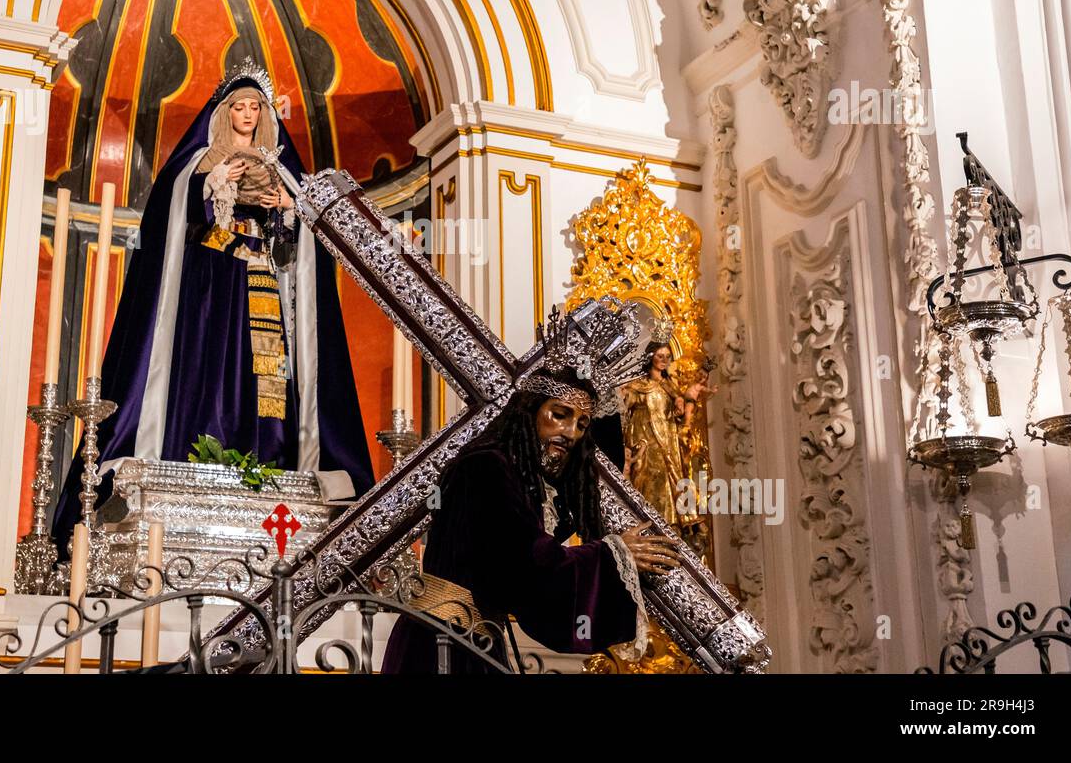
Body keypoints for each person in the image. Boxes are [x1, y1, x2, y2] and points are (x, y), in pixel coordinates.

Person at [53, 60, 374, 553]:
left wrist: (287, 211)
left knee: (267, 370)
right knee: (208, 367)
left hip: (262, 278)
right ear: (225, 113)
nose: (247, 114)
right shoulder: (200, 159)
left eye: (255, 107)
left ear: (264, 114)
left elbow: (305, 225)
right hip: (210, 286)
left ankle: (265, 456)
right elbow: (171, 209)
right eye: (239, 107)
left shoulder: (282, 164)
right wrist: (213, 181)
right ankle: (198, 449)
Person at [380, 365, 681, 673]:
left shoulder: (517, 477)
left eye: (581, 424)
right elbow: (525, 564)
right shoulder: (486, 466)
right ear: (531, 411)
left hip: (473, 638)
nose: (571, 433)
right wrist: (614, 555)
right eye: (560, 414)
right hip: (441, 643)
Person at [621, 343, 714, 530]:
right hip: (646, 443)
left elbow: (680, 414)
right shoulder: (638, 386)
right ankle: (645, 522)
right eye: (660, 355)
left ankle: (672, 525)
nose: (664, 360)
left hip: (668, 445)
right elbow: (623, 409)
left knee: (669, 483)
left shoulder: (669, 387)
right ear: (650, 357)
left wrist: (681, 407)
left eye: (667, 356)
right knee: (646, 481)